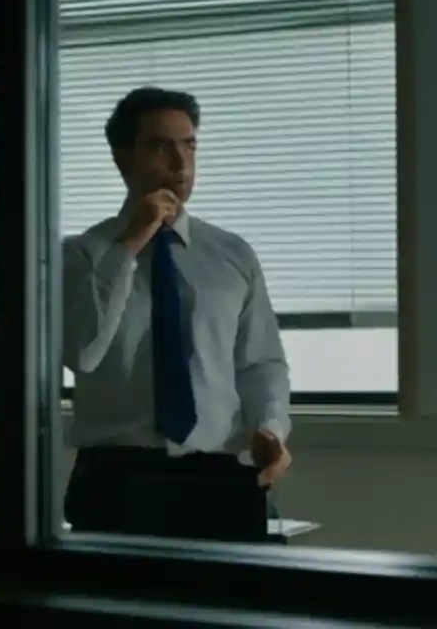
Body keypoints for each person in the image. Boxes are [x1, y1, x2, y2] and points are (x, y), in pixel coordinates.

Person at [61, 86, 292, 542]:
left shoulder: (232, 254)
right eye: (160, 146)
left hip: (220, 475)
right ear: (122, 158)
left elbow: (260, 362)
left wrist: (269, 427)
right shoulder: (80, 255)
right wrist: (131, 242)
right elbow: (81, 352)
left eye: (189, 145)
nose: (180, 163)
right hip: (115, 477)